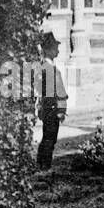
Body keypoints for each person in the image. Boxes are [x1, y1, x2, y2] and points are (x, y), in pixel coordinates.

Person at [36, 31, 68, 170]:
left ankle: (42, 163)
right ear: (49, 50)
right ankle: (45, 165)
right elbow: (55, 92)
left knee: (48, 137)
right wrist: (59, 110)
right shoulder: (49, 69)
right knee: (50, 138)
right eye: (55, 48)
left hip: (48, 108)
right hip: (52, 108)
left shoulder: (45, 67)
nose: (58, 51)